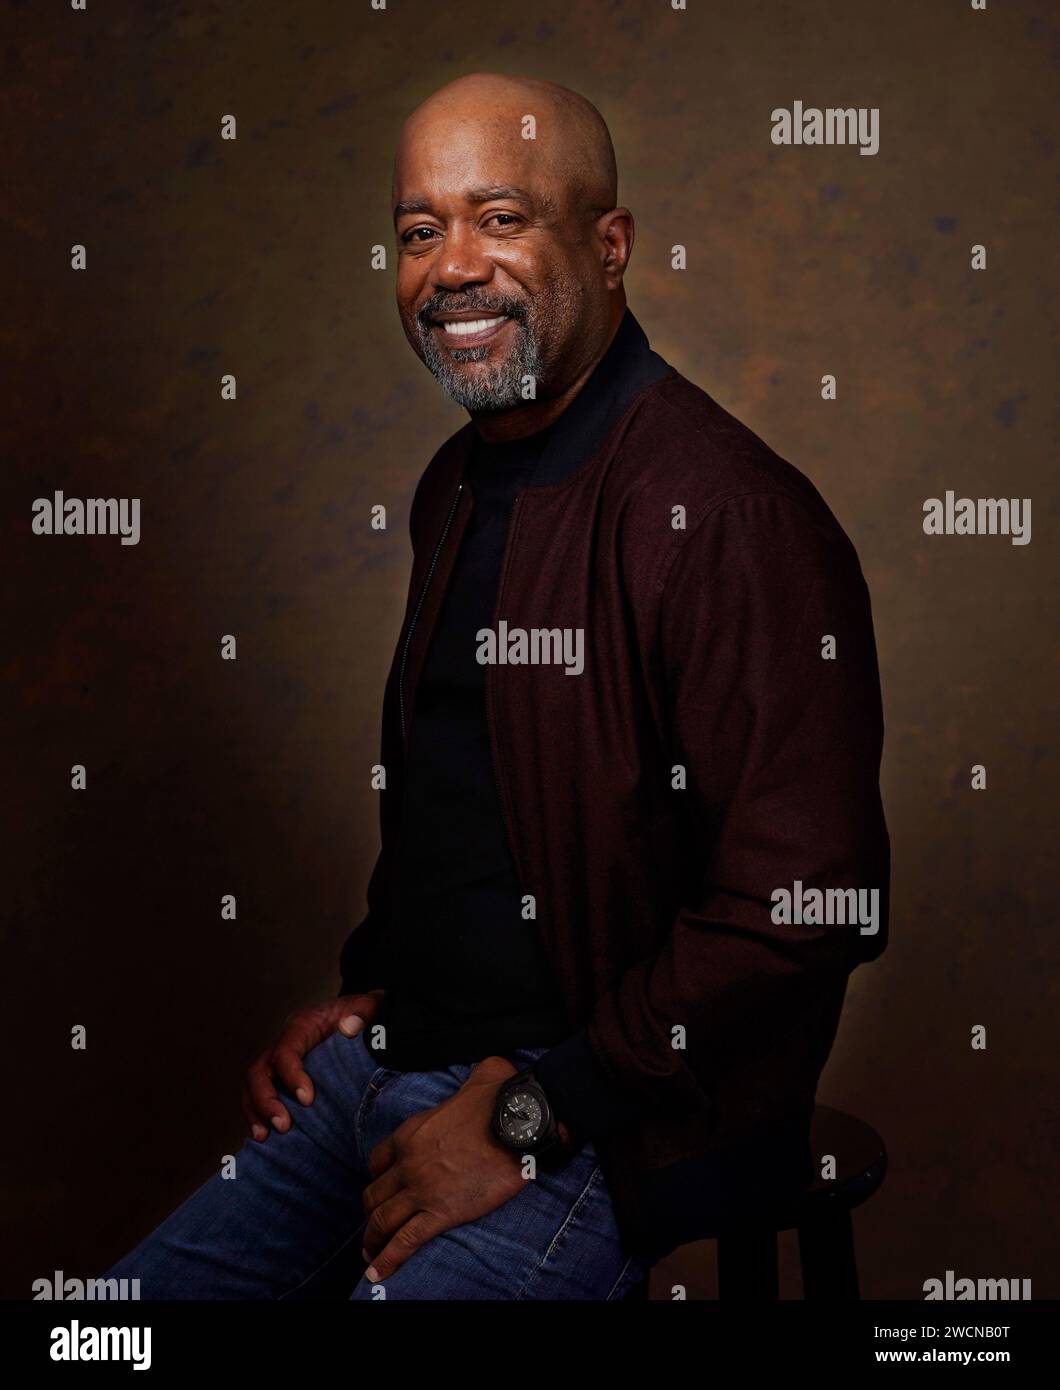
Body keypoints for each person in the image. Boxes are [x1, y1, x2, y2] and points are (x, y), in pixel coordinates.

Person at [103, 72, 889, 1300]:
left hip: (603, 1115)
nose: (451, 266)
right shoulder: (457, 484)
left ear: (610, 244)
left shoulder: (727, 516)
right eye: (420, 231)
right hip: (399, 1057)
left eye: (502, 218)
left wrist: (532, 1109)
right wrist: (382, 986)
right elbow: (475, 802)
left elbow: (810, 904)